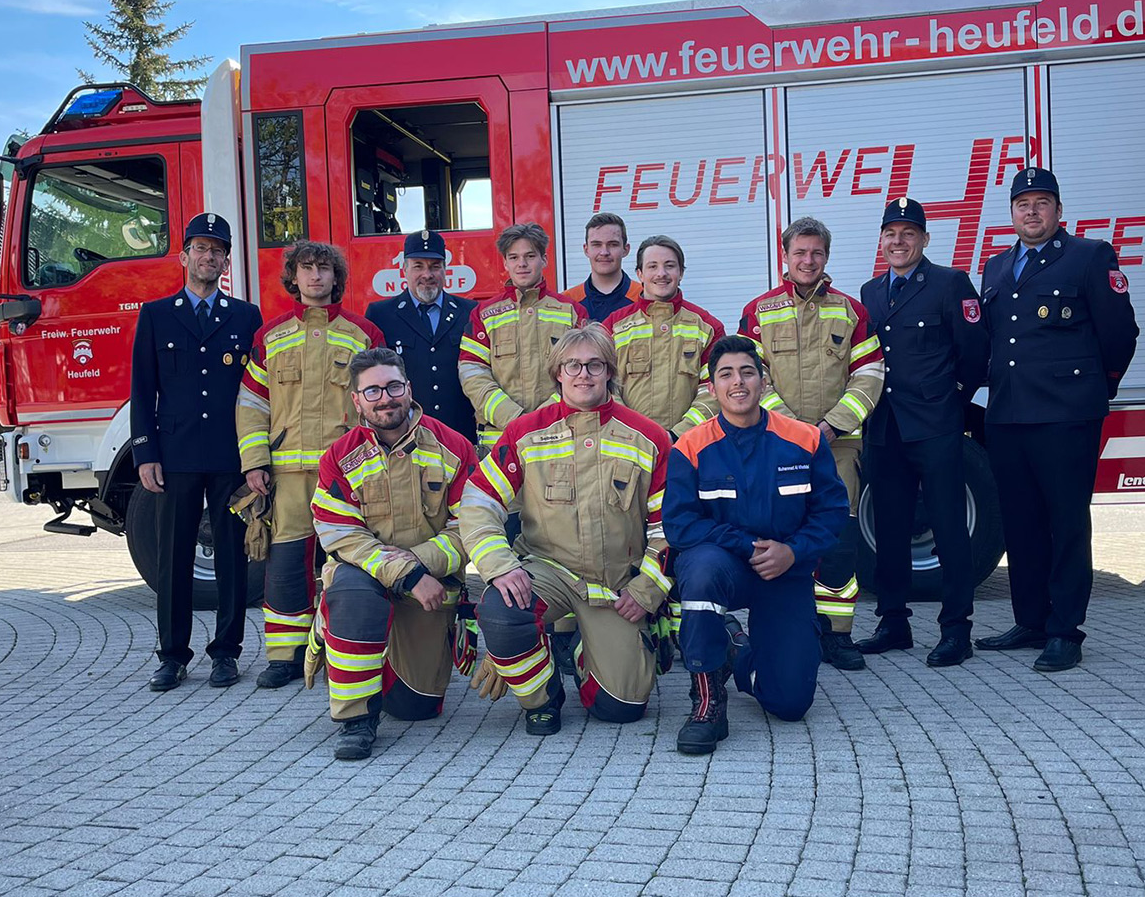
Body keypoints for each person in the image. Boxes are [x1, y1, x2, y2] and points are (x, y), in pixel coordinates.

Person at [460, 323, 671, 734]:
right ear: (558, 373)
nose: (583, 374)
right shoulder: (525, 432)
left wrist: (646, 591)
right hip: (547, 571)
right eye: (572, 365)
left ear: (610, 370)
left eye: (594, 364)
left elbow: (669, 525)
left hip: (614, 585)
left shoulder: (649, 437)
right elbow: (479, 502)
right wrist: (500, 566)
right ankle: (543, 696)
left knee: (622, 707)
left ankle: (580, 654)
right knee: (502, 611)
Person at [976, 168, 1138, 672]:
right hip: (1007, 415)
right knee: (1021, 523)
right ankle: (1031, 619)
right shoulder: (997, 267)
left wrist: (1090, 389)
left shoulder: (1090, 257)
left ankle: (1065, 630)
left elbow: (1120, 334)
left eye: (1042, 202)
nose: (1031, 211)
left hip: (1066, 416)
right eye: (1022, 203)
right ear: (1012, 214)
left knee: (1066, 522)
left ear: (1059, 211)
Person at [665, 336, 848, 754]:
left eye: (747, 372)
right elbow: (679, 524)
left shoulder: (805, 439)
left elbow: (831, 511)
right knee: (701, 570)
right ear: (711, 388)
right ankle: (707, 703)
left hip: (786, 571)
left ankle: (738, 651)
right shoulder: (691, 447)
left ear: (763, 381)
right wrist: (746, 545)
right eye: (725, 374)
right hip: (727, 568)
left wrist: (793, 551)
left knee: (789, 703)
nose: (738, 382)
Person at [308, 348, 480, 760]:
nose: (385, 398)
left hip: (431, 585)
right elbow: (341, 534)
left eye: (393, 387)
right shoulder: (338, 458)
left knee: (415, 707)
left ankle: (364, 653)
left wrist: (418, 568)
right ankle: (355, 719)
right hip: (368, 579)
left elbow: (470, 527)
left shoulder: (454, 447)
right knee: (349, 586)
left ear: (409, 388)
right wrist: (404, 574)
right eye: (372, 391)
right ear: (356, 400)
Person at [739, 217, 884, 670]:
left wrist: (829, 427)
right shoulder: (758, 311)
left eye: (816, 253)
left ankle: (836, 635)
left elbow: (870, 375)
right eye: (799, 252)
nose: (808, 260)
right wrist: (794, 428)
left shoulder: (852, 311)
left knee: (838, 543)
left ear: (827, 256)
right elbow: (749, 377)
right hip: (774, 449)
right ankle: (791, 626)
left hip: (836, 449)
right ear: (785, 256)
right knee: (779, 539)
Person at [236, 241, 384, 689]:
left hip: (350, 472)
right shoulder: (271, 336)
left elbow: (381, 401)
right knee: (285, 565)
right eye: (306, 269)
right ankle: (285, 656)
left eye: (324, 268)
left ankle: (353, 646)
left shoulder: (363, 334)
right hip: (287, 474)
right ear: (293, 277)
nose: (315, 276)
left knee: (354, 559)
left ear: (336, 277)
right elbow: (251, 405)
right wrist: (254, 463)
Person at [130, 211, 263, 692]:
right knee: (173, 557)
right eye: (200, 248)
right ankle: (172, 655)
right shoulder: (157, 315)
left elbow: (258, 390)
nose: (209, 256)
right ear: (184, 256)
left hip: (230, 456)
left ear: (227, 260)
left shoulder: (245, 317)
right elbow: (143, 390)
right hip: (177, 455)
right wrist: (146, 452)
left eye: (217, 250)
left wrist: (257, 458)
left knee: (231, 557)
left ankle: (226, 653)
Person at [856, 198, 989, 668]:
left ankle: (957, 631)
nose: (899, 241)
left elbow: (975, 352)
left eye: (908, 233)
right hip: (885, 426)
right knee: (889, 529)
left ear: (925, 240)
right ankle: (893, 622)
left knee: (950, 528)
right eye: (891, 233)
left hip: (935, 425)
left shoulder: (950, 283)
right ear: (882, 241)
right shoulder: (870, 291)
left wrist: (952, 397)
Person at [459, 222, 586, 451]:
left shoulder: (571, 311)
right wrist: (513, 417)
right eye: (514, 257)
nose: (522, 264)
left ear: (544, 260)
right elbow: (472, 373)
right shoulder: (483, 314)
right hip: (499, 441)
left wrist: (543, 418)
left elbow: (582, 373)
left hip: (559, 434)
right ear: (505, 262)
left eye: (530, 256)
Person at [603, 235, 727, 438]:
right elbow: (604, 386)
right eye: (652, 266)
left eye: (669, 266)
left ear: (681, 273)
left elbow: (714, 391)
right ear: (639, 274)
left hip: (690, 446)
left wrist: (677, 435)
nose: (661, 274)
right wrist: (633, 434)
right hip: (626, 445)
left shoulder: (708, 327)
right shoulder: (613, 326)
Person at [366, 229, 478, 444]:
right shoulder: (381, 314)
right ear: (404, 270)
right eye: (418, 266)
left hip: (460, 436)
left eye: (435, 266)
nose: (427, 274)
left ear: (445, 271)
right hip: (405, 437)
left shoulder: (469, 312)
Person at [563, 212, 642, 322]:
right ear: (586, 249)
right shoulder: (567, 301)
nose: (604, 252)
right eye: (596, 244)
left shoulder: (643, 297)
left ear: (625, 249)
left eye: (613, 244)